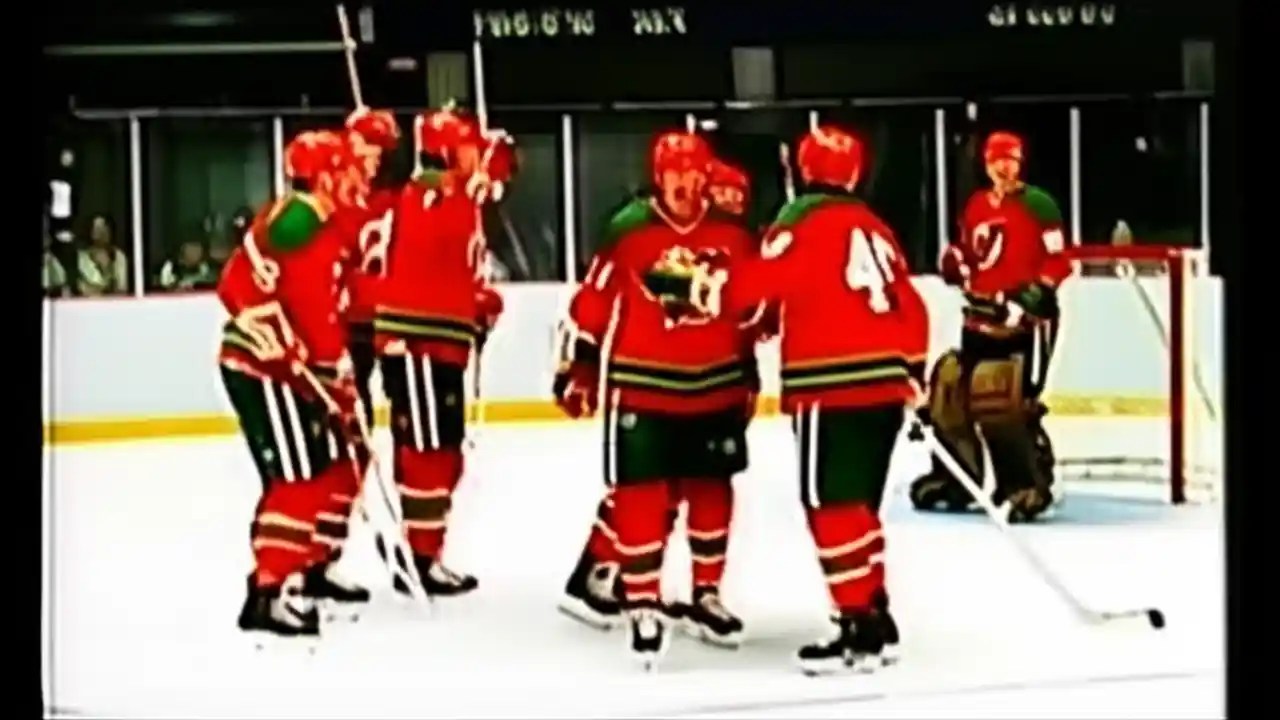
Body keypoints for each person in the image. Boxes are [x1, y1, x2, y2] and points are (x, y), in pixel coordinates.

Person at [654, 124, 930, 674]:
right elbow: (913, 307)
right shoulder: (875, 227)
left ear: (805, 170)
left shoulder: (800, 220)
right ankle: (875, 612)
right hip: (887, 383)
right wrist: (914, 373)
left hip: (831, 384)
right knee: (859, 505)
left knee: (831, 507)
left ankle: (857, 626)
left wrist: (694, 289)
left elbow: (762, 285)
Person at [552, 131, 758, 669]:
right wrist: (580, 363)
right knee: (641, 495)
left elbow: (748, 309)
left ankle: (706, 592)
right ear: (658, 176)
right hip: (642, 386)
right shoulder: (631, 227)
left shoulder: (733, 233)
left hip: (716, 385)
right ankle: (642, 600)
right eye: (674, 172)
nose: (684, 183)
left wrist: (749, 371)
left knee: (712, 490)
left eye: (693, 172)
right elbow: (594, 298)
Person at [215, 130, 367, 639]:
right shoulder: (297, 219)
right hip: (265, 368)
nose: (355, 177)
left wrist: (335, 372)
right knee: (298, 479)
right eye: (345, 168)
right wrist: (291, 347)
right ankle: (267, 592)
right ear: (324, 175)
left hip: (293, 368)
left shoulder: (322, 225)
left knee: (331, 468)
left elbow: (320, 308)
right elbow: (243, 283)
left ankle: (308, 567)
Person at [373, 106, 511, 598]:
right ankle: (418, 555)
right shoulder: (430, 197)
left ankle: (423, 549)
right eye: (470, 147)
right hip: (419, 343)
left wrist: (475, 302)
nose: (479, 157)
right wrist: (473, 301)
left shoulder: (450, 198)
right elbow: (434, 254)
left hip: (439, 343)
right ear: (450, 151)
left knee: (443, 452)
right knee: (427, 453)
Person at [908, 130, 1068, 523]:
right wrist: (955, 264)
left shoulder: (1038, 204)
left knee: (1003, 401)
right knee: (951, 394)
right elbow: (969, 254)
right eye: (997, 159)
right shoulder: (977, 205)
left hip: (1021, 322)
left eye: (1010, 159)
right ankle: (957, 477)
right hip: (978, 316)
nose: (1003, 167)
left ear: (1020, 162)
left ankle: (1025, 484)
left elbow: (1058, 261)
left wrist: (1031, 297)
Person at [77, 215, 129, 296]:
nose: (100, 232)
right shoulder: (82, 256)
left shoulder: (119, 256)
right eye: (96, 228)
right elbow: (82, 288)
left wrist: (107, 268)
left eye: (103, 228)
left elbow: (122, 288)